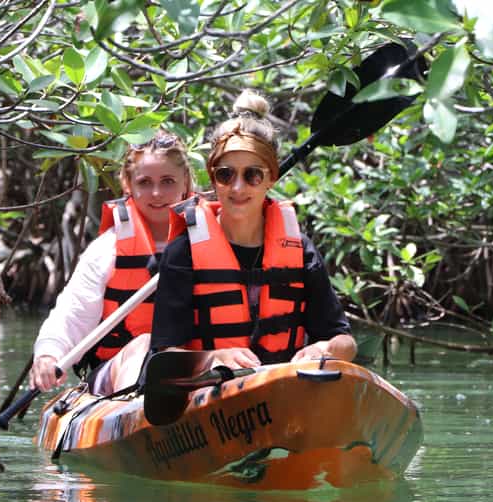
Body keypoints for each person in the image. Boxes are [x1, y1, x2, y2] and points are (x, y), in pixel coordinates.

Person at [150, 91, 356, 369]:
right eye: (226, 174)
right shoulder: (183, 252)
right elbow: (164, 357)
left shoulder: (301, 250)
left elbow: (345, 341)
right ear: (213, 177)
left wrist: (326, 347)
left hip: (282, 382)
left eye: (253, 175)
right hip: (211, 387)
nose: (238, 187)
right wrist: (214, 358)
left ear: (271, 178)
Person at [30, 130, 194, 392]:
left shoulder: (210, 238)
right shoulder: (107, 249)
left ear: (185, 181)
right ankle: (137, 405)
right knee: (144, 345)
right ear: (127, 184)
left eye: (167, 181)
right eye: (144, 182)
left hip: (193, 370)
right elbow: (73, 314)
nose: (156, 193)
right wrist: (49, 353)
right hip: (117, 374)